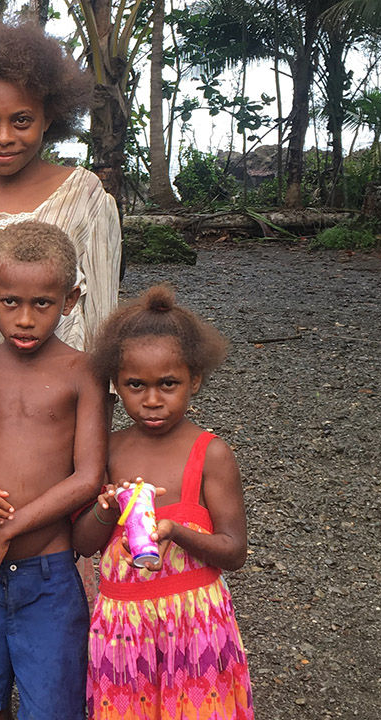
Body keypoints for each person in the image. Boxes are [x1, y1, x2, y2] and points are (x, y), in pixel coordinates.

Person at [0, 221, 107, 718]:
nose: (26, 319)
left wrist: (3, 532)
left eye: (43, 304)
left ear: (70, 300)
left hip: (48, 577)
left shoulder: (84, 373)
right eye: (11, 302)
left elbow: (88, 477)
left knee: (52, 706)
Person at [72, 285, 253, 719]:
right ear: (116, 384)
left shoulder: (211, 454)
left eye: (168, 384)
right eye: (136, 385)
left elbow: (234, 551)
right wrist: (106, 509)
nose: (152, 400)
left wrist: (177, 532)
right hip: (124, 629)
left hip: (195, 625)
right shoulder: (107, 450)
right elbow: (81, 542)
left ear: (195, 379)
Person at [0, 22, 120, 354]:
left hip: (62, 393)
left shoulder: (84, 194)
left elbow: (102, 314)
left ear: (48, 118)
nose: (3, 136)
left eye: (21, 120)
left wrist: (99, 399)